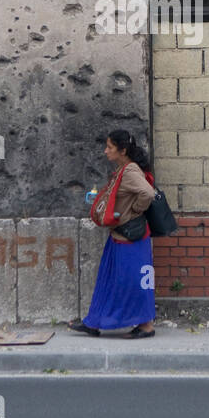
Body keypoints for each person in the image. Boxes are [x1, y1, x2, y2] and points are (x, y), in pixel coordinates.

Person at [69, 129, 157, 339]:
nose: (105, 151)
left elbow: (147, 193)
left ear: (122, 150)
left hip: (130, 239)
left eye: (110, 147)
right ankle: (94, 322)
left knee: (132, 282)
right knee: (110, 281)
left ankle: (146, 326)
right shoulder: (123, 169)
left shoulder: (130, 171)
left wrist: (135, 210)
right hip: (120, 237)